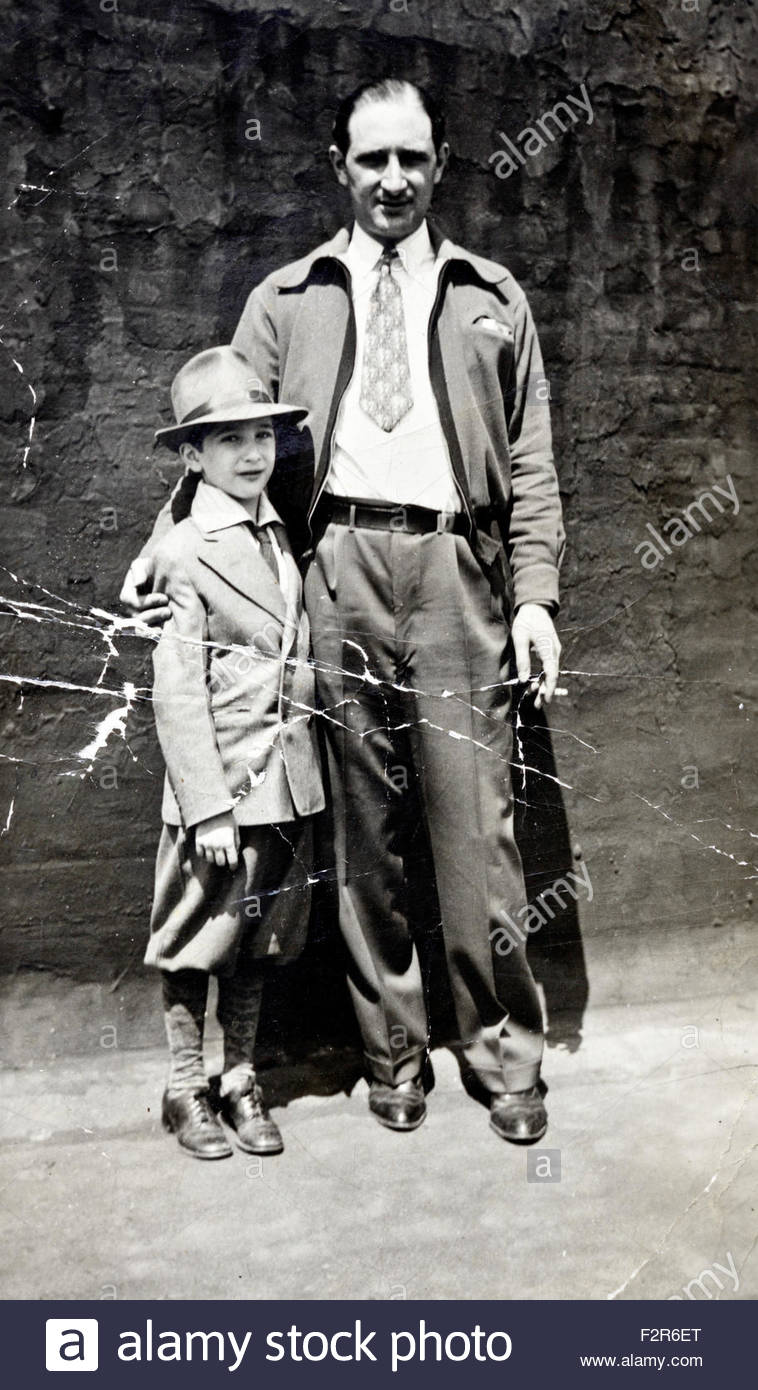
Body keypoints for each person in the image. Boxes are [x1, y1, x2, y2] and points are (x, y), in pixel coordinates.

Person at [122, 78, 565, 1145]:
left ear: (440, 164)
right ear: (337, 167)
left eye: (411, 158)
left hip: (457, 571)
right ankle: (391, 1056)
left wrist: (536, 597)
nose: (392, 180)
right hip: (332, 571)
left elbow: (532, 463)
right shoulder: (286, 298)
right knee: (362, 838)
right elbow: (225, 442)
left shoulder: (489, 296)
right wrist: (158, 545)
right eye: (371, 160)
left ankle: (499, 1051)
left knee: (475, 831)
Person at [145, 344, 324, 1160]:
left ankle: (238, 1076)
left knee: (258, 938)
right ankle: (185, 1089)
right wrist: (208, 804)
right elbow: (177, 690)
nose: (253, 455)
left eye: (262, 437)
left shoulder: (278, 536)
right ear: (192, 457)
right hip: (219, 795)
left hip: (283, 790)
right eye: (227, 441)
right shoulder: (187, 550)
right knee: (195, 937)